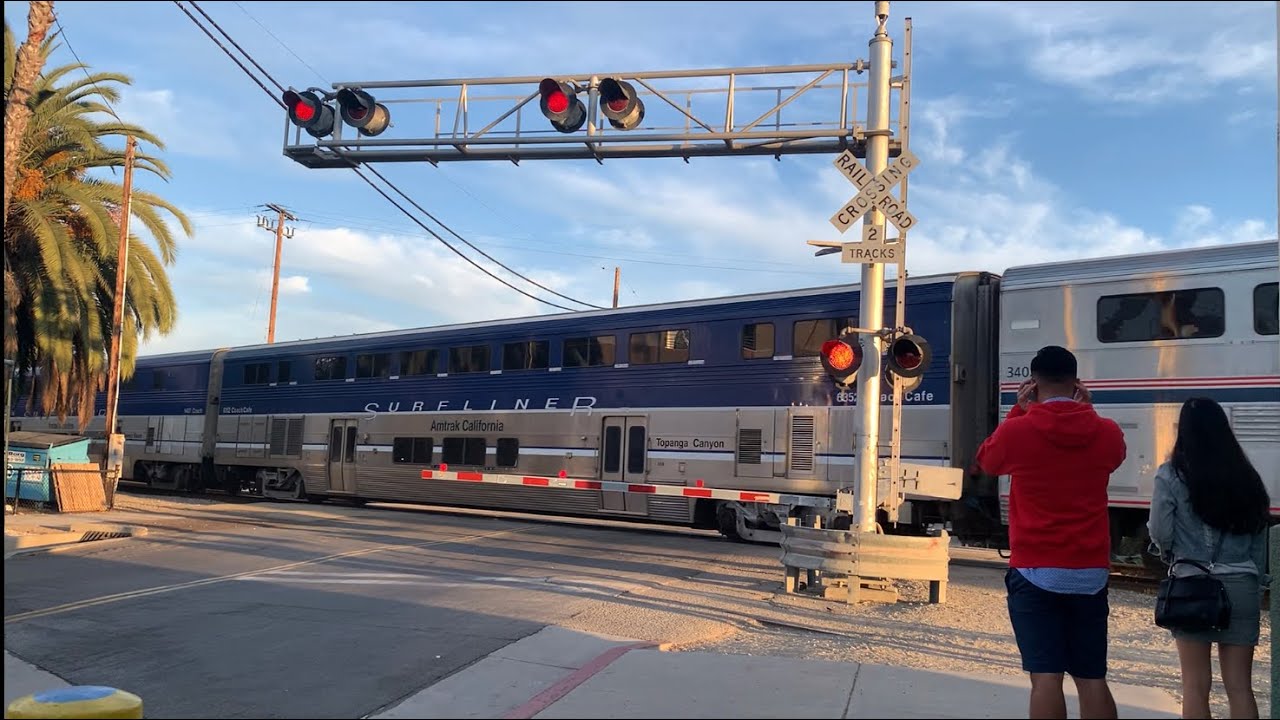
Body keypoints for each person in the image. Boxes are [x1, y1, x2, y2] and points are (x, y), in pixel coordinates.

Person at [974, 345, 1127, 720]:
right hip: (1090, 571)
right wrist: (1087, 409)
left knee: (1046, 678)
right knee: (1092, 677)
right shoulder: (1105, 431)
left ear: (1033, 382)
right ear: (1077, 383)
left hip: (1036, 568)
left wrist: (1018, 411)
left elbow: (987, 461)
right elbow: (1116, 456)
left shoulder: (1020, 429)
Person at [1147, 397, 1271, 720]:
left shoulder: (1171, 475)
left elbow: (1160, 530)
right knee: (1240, 687)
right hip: (1242, 586)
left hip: (1193, 586)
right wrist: (1255, 586)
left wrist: (1171, 555)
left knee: (1195, 686)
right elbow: (1259, 541)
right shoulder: (1248, 478)